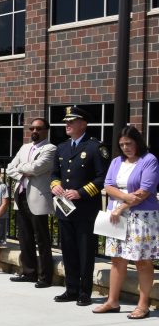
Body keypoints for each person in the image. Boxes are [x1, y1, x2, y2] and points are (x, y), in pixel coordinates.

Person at [93, 126, 158, 319]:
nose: (125, 147)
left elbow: (145, 190)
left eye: (128, 143)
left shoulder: (149, 160)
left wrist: (121, 206)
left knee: (142, 261)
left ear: (137, 142)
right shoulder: (116, 161)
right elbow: (108, 185)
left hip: (141, 218)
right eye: (121, 144)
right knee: (117, 259)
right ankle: (112, 301)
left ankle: (143, 304)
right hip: (117, 217)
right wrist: (123, 198)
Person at [50, 106, 108, 306]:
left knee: (85, 251)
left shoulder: (95, 147)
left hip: (85, 210)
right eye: (66, 122)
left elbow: (102, 178)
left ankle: (85, 292)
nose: (67, 124)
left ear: (83, 123)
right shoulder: (62, 148)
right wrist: (55, 186)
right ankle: (71, 289)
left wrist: (80, 192)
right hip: (65, 208)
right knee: (68, 250)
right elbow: (55, 174)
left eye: (71, 121)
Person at [6, 118, 57, 287]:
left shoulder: (50, 149)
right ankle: (29, 272)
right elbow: (9, 167)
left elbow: (37, 168)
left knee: (41, 239)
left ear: (46, 130)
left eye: (39, 128)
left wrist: (22, 167)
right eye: (32, 128)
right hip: (21, 196)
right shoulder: (24, 147)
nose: (35, 131)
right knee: (24, 237)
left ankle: (45, 277)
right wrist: (23, 171)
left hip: (38, 199)